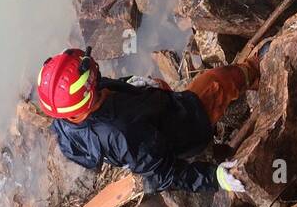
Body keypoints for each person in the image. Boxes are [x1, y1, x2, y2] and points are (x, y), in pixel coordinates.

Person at [36, 47, 257, 193]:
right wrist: (214, 178)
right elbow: (163, 175)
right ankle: (254, 70)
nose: (97, 75)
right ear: (87, 97)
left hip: (154, 113)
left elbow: (104, 86)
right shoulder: (122, 132)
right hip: (186, 126)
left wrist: (129, 85)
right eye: (94, 82)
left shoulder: (68, 114)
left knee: (163, 85)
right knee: (215, 82)